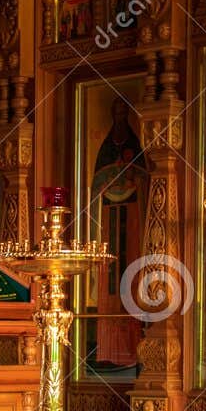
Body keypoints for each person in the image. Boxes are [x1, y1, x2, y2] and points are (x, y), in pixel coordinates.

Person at [89, 98, 145, 368]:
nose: (120, 119)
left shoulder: (135, 146)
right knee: (110, 280)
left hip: (131, 215)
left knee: (131, 279)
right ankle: (108, 351)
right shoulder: (106, 149)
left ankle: (130, 351)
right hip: (110, 217)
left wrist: (131, 176)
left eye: (124, 114)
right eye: (117, 114)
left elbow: (144, 178)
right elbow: (97, 183)